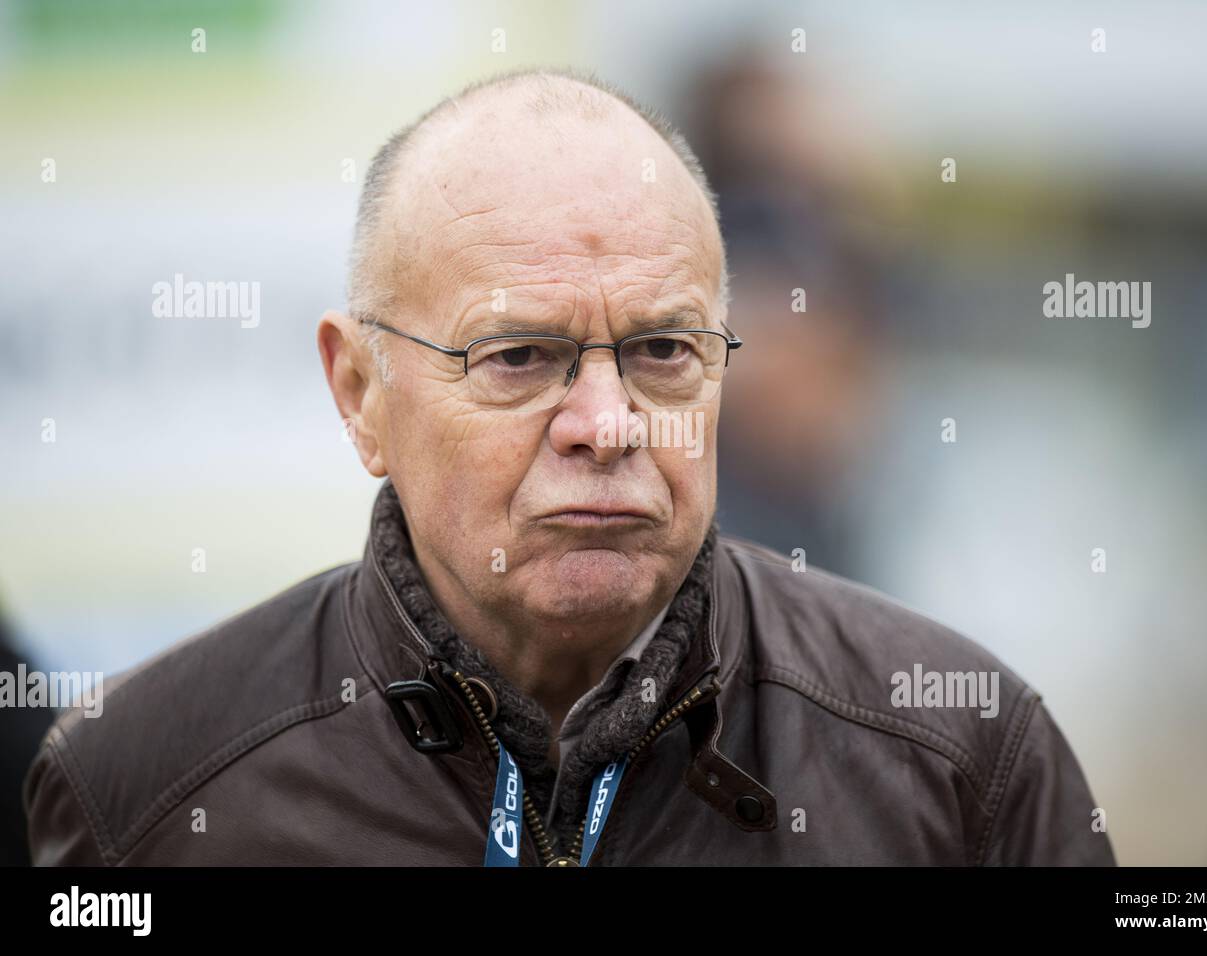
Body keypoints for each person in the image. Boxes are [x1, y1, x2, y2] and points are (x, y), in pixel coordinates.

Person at [24, 68, 1114, 866]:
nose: (607, 423)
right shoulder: (150, 789)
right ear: (361, 393)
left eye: (661, 351)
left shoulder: (957, 759)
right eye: (519, 357)